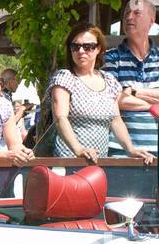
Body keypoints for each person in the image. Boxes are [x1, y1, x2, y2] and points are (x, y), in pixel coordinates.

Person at [48, 24, 153, 165]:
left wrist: (131, 150)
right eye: (75, 46)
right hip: (69, 162)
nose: (81, 51)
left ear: (98, 49)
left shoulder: (109, 80)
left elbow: (116, 121)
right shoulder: (64, 77)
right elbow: (60, 118)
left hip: (98, 163)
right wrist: (79, 150)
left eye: (88, 47)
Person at [104, 0, 159, 156]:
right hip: (120, 149)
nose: (129, 18)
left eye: (136, 13)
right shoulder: (110, 57)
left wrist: (133, 92)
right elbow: (113, 100)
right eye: (126, 14)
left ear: (151, 20)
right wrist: (158, 106)